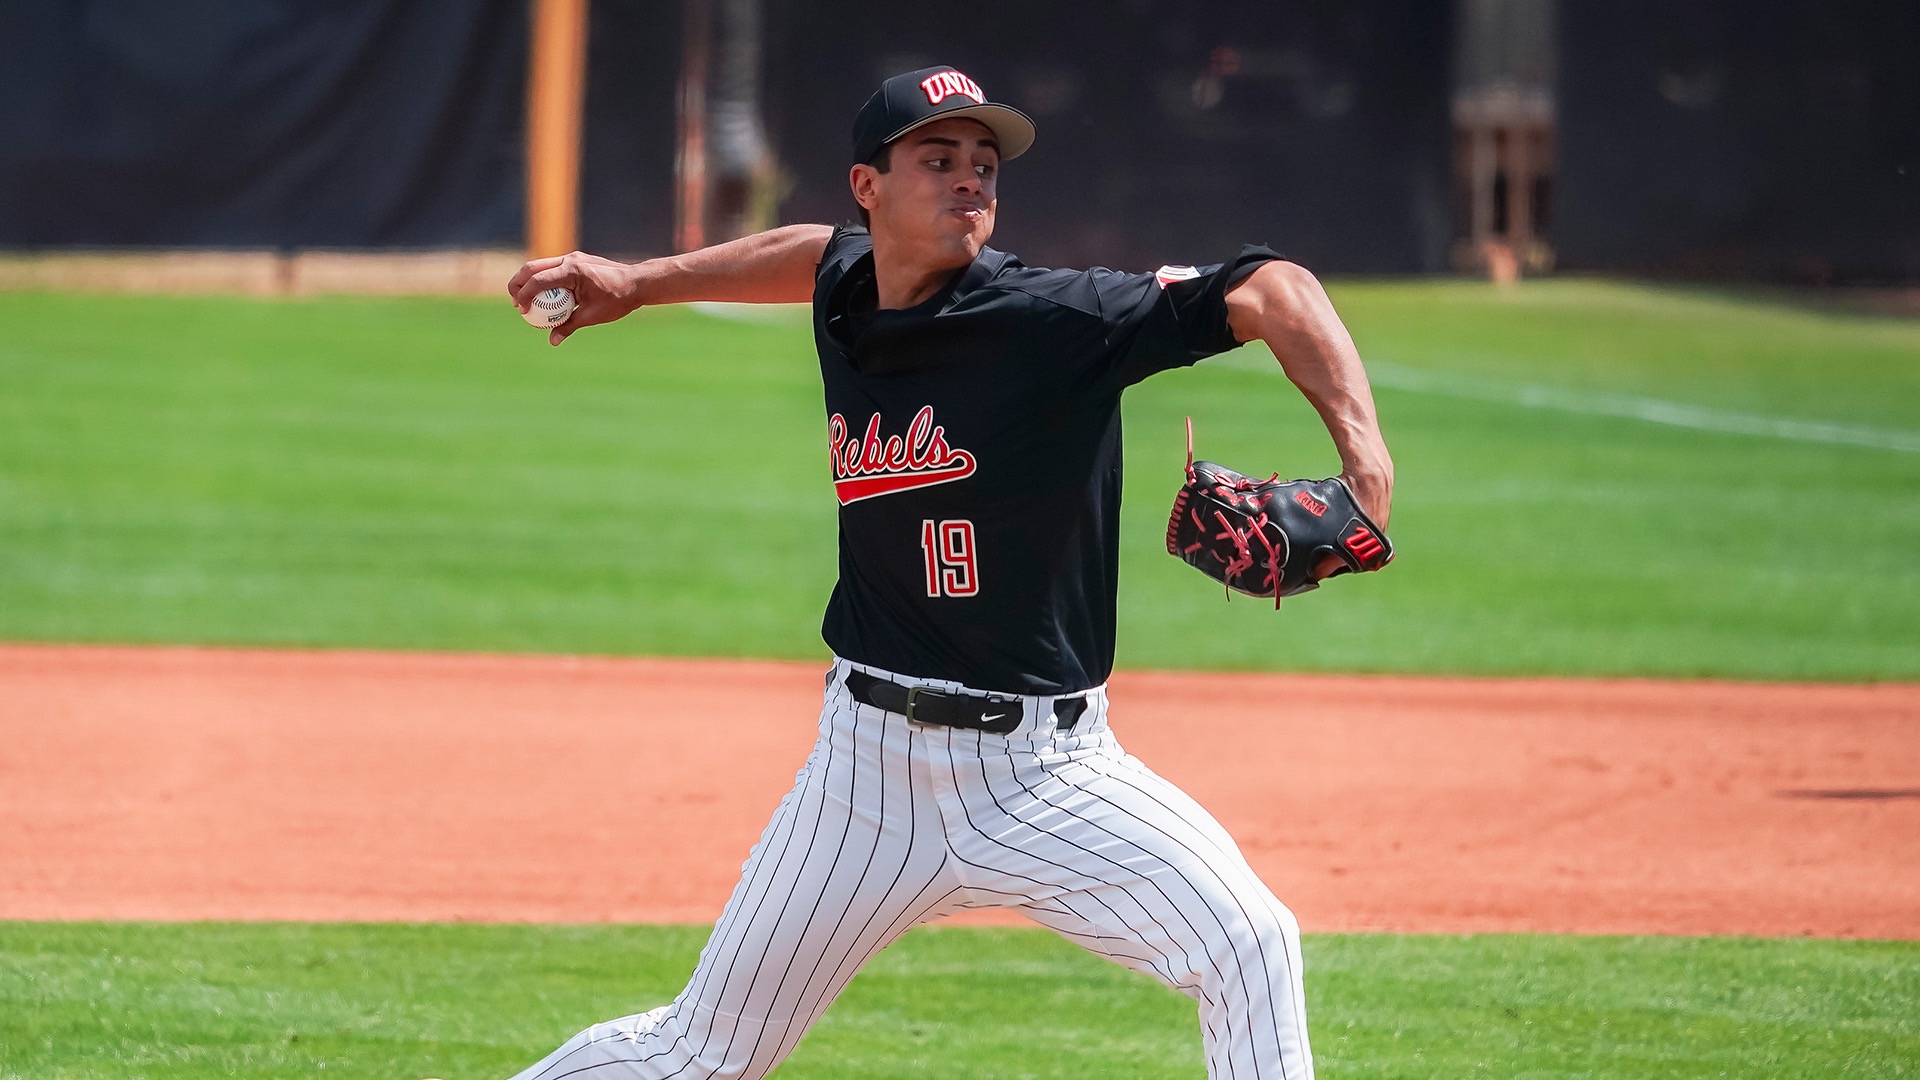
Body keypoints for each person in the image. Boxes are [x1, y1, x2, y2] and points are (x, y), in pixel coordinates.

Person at [504, 65, 1392, 1080]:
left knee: (1250, 945)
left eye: (984, 164)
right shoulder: (852, 284)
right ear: (868, 187)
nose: (971, 179)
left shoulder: (1055, 320)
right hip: (863, 778)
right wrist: (641, 283)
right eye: (938, 160)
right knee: (703, 1049)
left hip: (1045, 776)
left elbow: (1276, 288)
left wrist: (1368, 466)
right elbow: (816, 255)